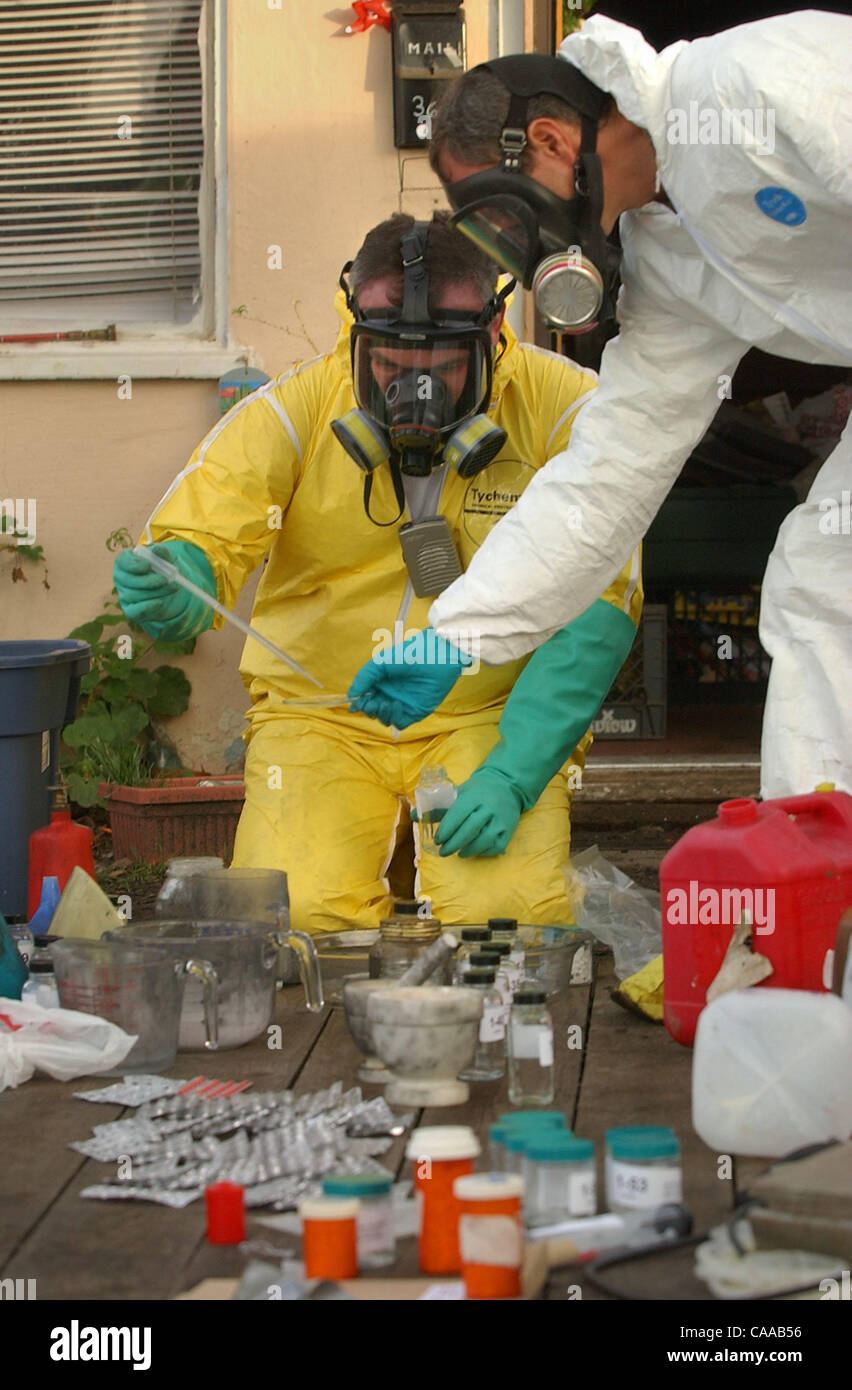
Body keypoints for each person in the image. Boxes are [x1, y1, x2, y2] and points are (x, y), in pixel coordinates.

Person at [348, 12, 852, 799]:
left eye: (508, 218)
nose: (522, 249)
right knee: (826, 581)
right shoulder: (672, 266)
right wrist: (455, 638)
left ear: (549, 142)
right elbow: (605, 482)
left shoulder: (746, 87)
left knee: (829, 570)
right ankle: (821, 877)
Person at [113, 213, 642, 935]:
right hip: (322, 712)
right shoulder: (299, 407)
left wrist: (516, 770)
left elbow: (602, 599)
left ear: (491, 337)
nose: (412, 390)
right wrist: (181, 571)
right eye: (390, 364)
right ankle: (379, 854)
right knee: (291, 921)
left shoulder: (567, 411)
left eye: (443, 366)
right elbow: (212, 515)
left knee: (507, 925)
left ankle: (432, 860)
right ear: (355, 341)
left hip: (485, 713)